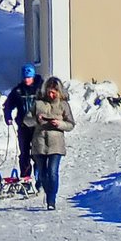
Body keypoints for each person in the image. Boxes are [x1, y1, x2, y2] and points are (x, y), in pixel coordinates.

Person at [28, 77, 74, 210]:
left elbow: (71, 124)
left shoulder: (63, 105)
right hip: (40, 143)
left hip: (56, 144)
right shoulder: (38, 104)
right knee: (42, 173)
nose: (51, 94)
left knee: (53, 172)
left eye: (54, 92)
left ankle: (51, 200)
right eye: (49, 91)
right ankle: (47, 192)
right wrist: (37, 119)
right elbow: (27, 121)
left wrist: (59, 124)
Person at [0, 64, 42, 181]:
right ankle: (25, 177)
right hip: (23, 126)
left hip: (38, 126)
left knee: (38, 153)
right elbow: (8, 105)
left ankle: (40, 178)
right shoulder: (18, 91)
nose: (27, 80)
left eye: (29, 77)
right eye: (25, 78)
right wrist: (8, 116)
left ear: (33, 77)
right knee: (24, 153)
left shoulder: (40, 89)